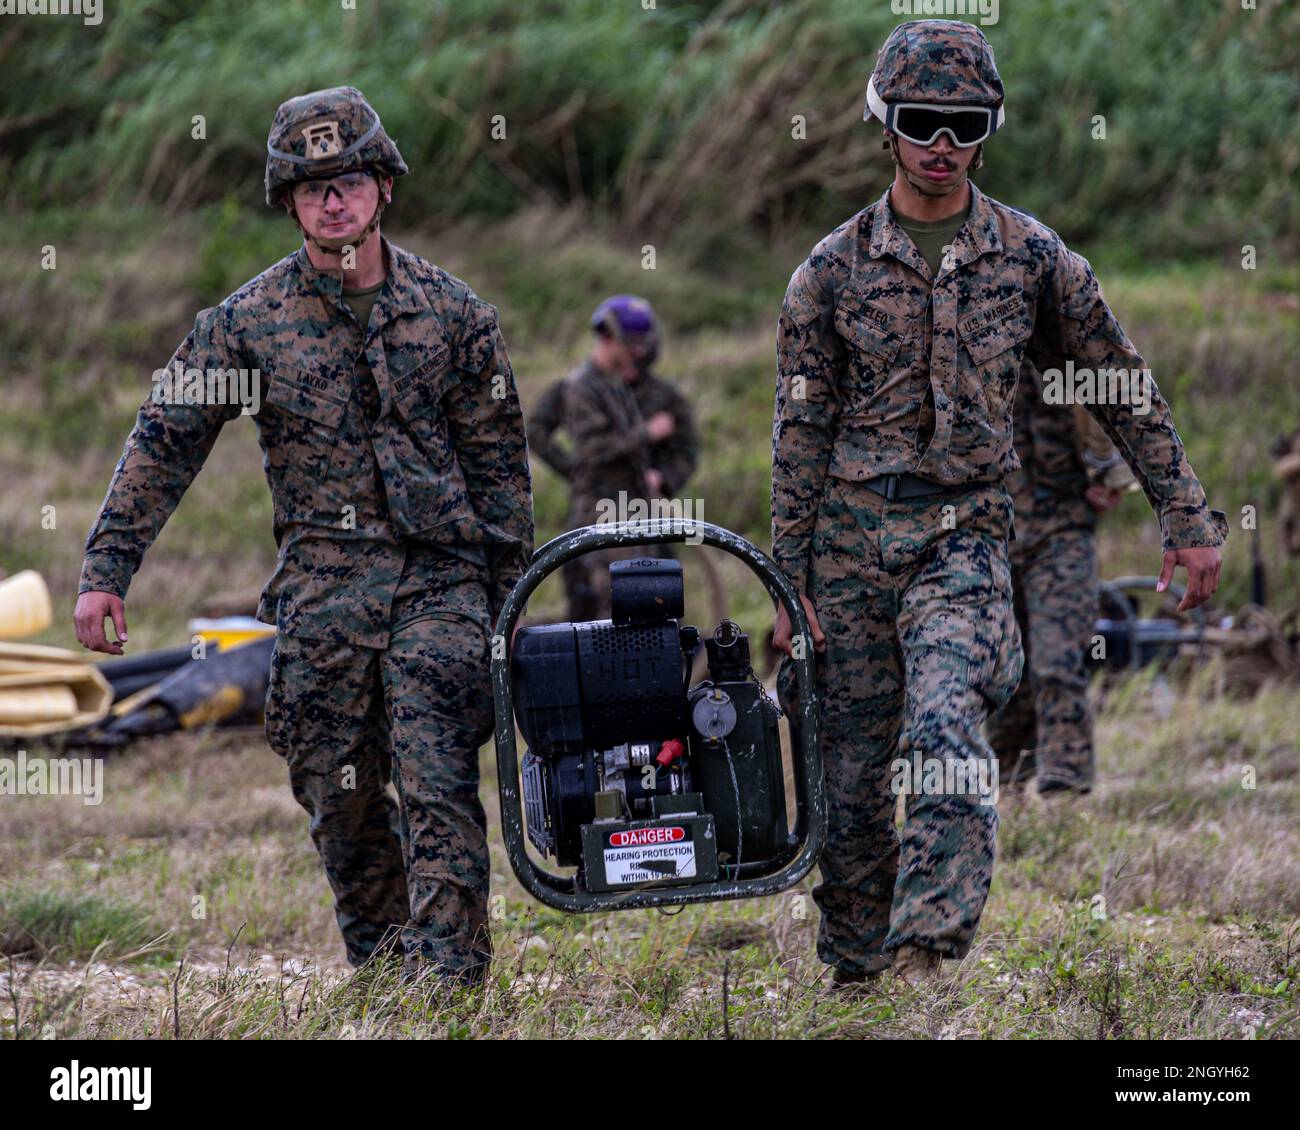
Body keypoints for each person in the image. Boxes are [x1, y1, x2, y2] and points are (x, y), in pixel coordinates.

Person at [769, 21, 1226, 988]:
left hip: (966, 533)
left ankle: (929, 943)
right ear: (886, 126)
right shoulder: (829, 272)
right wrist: (787, 577)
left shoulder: (1031, 257)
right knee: (850, 778)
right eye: (923, 121)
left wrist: (1185, 521)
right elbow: (799, 436)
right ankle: (858, 982)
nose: (943, 144)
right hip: (850, 544)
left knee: (944, 720)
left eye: (964, 123)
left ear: (988, 129)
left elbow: (1119, 384)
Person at [72, 86, 533, 988]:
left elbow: (499, 473)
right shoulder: (245, 326)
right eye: (313, 184)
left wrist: (506, 605)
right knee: (338, 791)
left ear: (384, 188)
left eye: (350, 180)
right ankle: (386, 968)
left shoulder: (454, 314)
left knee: (437, 779)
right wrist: (105, 571)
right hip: (323, 590)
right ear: (288, 200)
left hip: (439, 580)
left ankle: (452, 988)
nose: (334, 200)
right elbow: (164, 441)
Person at [985, 360, 1136, 797]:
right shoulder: (973, 334)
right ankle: (1005, 778)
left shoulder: (1067, 332)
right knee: (1007, 673)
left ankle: (1067, 780)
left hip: (1064, 525)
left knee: (1057, 657)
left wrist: (1112, 478)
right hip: (994, 530)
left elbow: (1120, 402)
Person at [540, 296, 683, 620]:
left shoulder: (612, 385)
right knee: (618, 616)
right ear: (607, 338)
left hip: (626, 513)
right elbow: (592, 450)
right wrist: (647, 433)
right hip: (603, 518)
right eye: (631, 344)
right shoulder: (583, 387)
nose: (639, 353)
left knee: (644, 610)